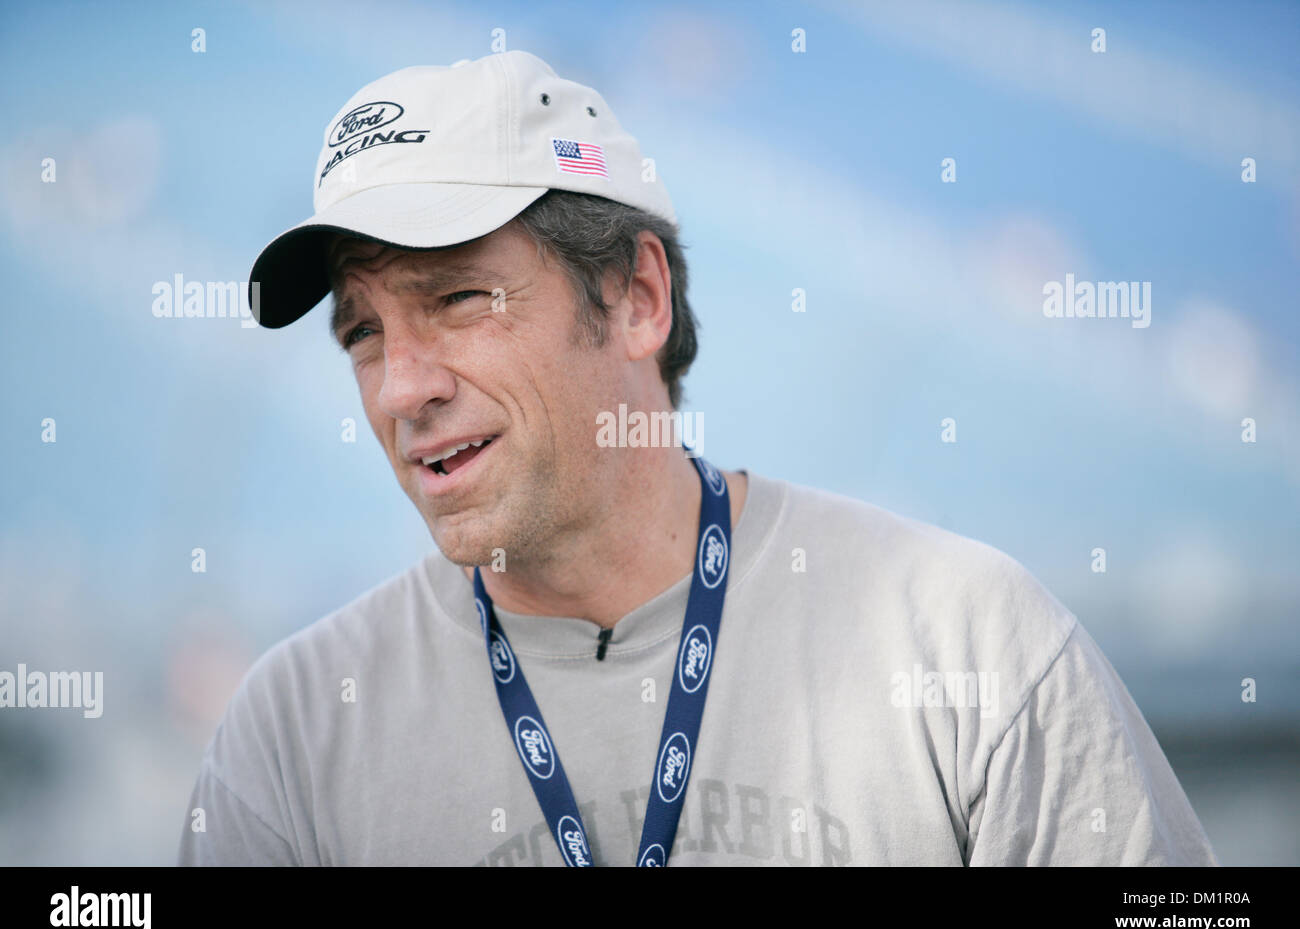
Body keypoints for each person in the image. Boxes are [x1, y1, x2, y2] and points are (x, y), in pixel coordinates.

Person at [178, 50, 1217, 866]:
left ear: (637, 297)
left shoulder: (966, 644)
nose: (402, 386)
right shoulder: (290, 735)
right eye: (363, 332)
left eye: (457, 300)